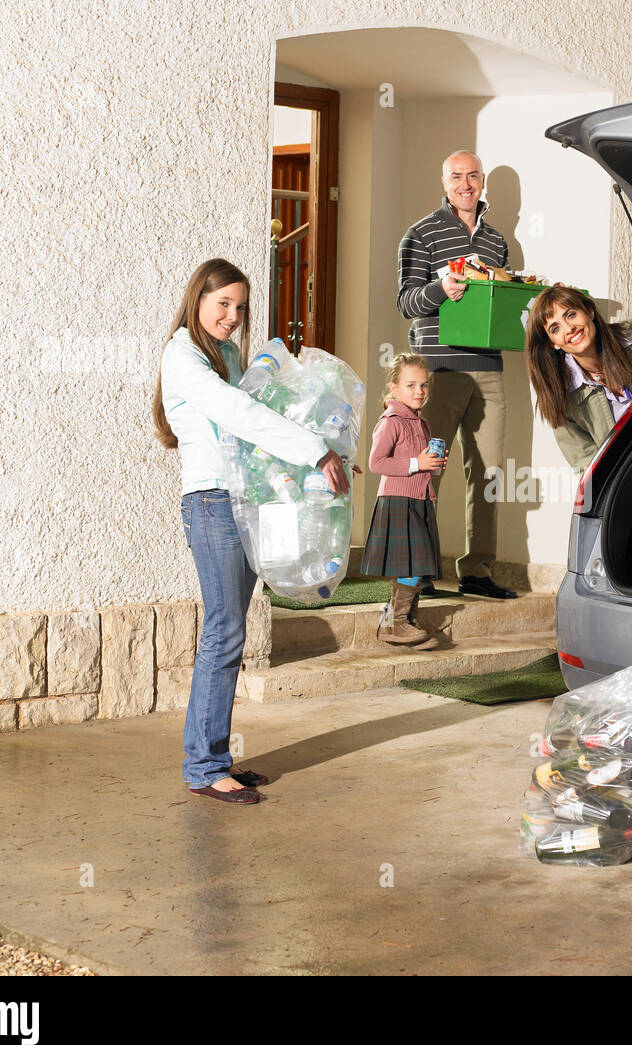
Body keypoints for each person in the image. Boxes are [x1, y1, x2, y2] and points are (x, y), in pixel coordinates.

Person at [153, 258, 349, 805]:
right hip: (212, 504)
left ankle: (214, 756)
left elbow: (263, 418)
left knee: (232, 629)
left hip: (243, 500)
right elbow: (238, 413)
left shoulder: (230, 353)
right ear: (198, 300)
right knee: (223, 632)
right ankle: (205, 767)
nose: (233, 317)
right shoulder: (183, 354)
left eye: (240, 308)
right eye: (223, 305)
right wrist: (315, 451)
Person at [396, 149, 516, 600]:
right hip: (438, 371)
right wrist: (440, 290)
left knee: (488, 474)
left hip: (488, 369)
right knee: (429, 471)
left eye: (473, 176)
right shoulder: (422, 234)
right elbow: (406, 302)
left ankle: (478, 571)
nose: (465, 184)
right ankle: (418, 570)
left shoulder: (496, 241)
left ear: (483, 182)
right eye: (456, 177)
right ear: (443, 182)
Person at [525, 285, 632, 472]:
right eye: (555, 328)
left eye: (571, 315)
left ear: (589, 311)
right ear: (552, 343)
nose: (569, 328)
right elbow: (588, 468)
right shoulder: (562, 399)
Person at [361, 355, 448, 648]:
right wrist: (416, 463)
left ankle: (402, 620)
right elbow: (376, 462)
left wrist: (432, 464)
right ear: (394, 387)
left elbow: (419, 462)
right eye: (411, 385)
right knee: (412, 563)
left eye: (424, 385)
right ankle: (397, 622)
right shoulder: (391, 421)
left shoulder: (420, 422)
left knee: (418, 562)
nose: (419, 391)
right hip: (398, 499)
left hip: (420, 498)